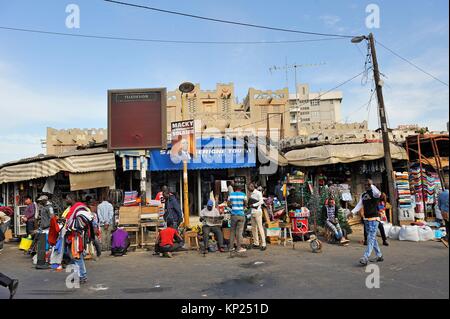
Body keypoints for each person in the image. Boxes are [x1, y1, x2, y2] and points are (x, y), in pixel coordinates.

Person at [350, 179, 383, 266]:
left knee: (370, 238)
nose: (366, 186)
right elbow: (359, 205)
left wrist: (372, 185)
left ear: (371, 185)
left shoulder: (375, 194)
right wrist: (352, 212)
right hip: (367, 219)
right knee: (372, 238)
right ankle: (379, 255)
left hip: (374, 218)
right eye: (365, 185)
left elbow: (378, 193)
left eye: (367, 185)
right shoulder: (363, 195)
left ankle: (365, 257)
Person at [64, 194, 95, 283]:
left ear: (71, 198)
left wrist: (72, 226)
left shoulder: (79, 208)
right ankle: (77, 275)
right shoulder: (73, 208)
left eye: (66, 198)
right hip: (72, 236)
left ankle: (82, 276)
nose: (65, 200)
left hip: (77, 237)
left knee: (77, 257)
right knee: (73, 257)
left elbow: (83, 222)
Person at [35, 195, 54, 269]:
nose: (40, 202)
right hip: (43, 229)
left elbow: (52, 217)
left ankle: (46, 262)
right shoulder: (43, 207)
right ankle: (44, 261)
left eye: (41, 201)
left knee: (47, 247)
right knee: (43, 246)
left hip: (48, 229)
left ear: (44, 200)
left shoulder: (49, 207)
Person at [228, 185, 248, 253]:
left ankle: (231, 247)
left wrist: (232, 205)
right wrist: (243, 206)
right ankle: (238, 248)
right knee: (239, 232)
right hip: (241, 215)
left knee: (232, 231)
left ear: (234, 189)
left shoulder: (231, 194)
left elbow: (228, 204)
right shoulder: (243, 194)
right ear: (240, 189)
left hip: (233, 215)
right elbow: (246, 203)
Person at [248, 183, 267, 251]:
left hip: (257, 211)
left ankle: (264, 244)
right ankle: (256, 243)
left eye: (249, 187)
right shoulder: (251, 193)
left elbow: (261, 201)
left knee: (260, 227)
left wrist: (253, 205)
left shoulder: (258, 193)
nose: (248, 188)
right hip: (253, 212)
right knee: (254, 228)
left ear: (252, 187)